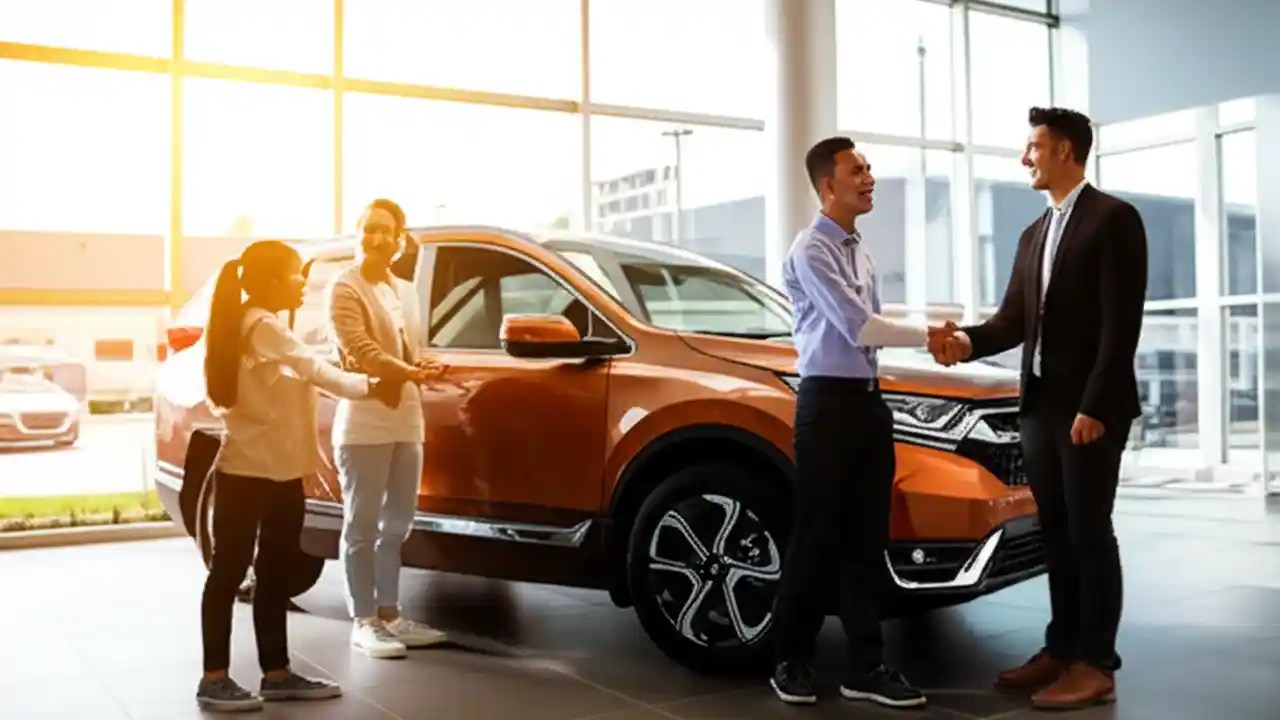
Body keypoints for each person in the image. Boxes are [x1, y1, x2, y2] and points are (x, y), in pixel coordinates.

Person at [929, 106, 1148, 711]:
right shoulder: (1033, 233)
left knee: (1089, 531)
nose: (1025, 157)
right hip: (1039, 408)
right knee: (1055, 532)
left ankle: (1096, 663)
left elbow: (1121, 325)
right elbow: (1010, 322)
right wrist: (963, 343)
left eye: (1034, 146)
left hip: (1089, 409)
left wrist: (1095, 404)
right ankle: (1061, 647)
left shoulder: (1113, 219)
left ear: (1065, 151)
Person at [198, 240, 407, 712]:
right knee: (229, 572)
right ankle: (214, 680)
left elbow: (301, 373)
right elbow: (315, 368)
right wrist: (377, 383)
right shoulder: (261, 325)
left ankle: (276, 674)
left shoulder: (258, 324)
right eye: (295, 274)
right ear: (272, 280)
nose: (302, 283)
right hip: (247, 472)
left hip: (279, 472)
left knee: (272, 573)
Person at [769, 136, 927, 710]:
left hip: (866, 404)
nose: (869, 177)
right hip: (827, 406)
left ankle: (866, 666)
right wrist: (932, 337)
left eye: (869, 168)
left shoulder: (860, 249)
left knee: (866, 538)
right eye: (856, 170)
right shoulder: (811, 249)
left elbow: (871, 330)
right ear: (827, 185)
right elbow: (860, 326)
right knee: (817, 535)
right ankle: (790, 658)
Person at [329, 198, 447, 659]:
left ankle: (391, 614)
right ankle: (364, 620)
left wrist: (422, 366)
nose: (375, 238)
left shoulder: (406, 290)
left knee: (397, 521)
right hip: (365, 417)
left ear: (400, 241)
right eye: (368, 229)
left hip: (407, 415)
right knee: (361, 523)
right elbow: (360, 350)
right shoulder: (344, 287)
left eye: (385, 231)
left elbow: (406, 348)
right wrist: (412, 372)